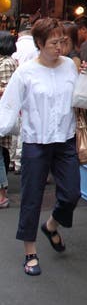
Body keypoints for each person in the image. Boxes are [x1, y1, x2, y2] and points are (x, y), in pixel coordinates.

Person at [0, 18, 82, 276]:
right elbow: (10, 105)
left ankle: (51, 225)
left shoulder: (70, 66)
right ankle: (30, 252)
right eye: (54, 42)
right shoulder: (25, 72)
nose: (60, 47)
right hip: (36, 141)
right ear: (39, 44)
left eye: (63, 41)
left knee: (71, 193)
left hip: (65, 139)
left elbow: (80, 97)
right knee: (31, 197)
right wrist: (2, 128)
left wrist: (86, 75)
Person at [0, 31, 17, 206]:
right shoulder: (8, 62)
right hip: (4, 115)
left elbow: (7, 91)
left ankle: (2, 194)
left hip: (2, 115)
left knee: (0, 153)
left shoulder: (6, 63)